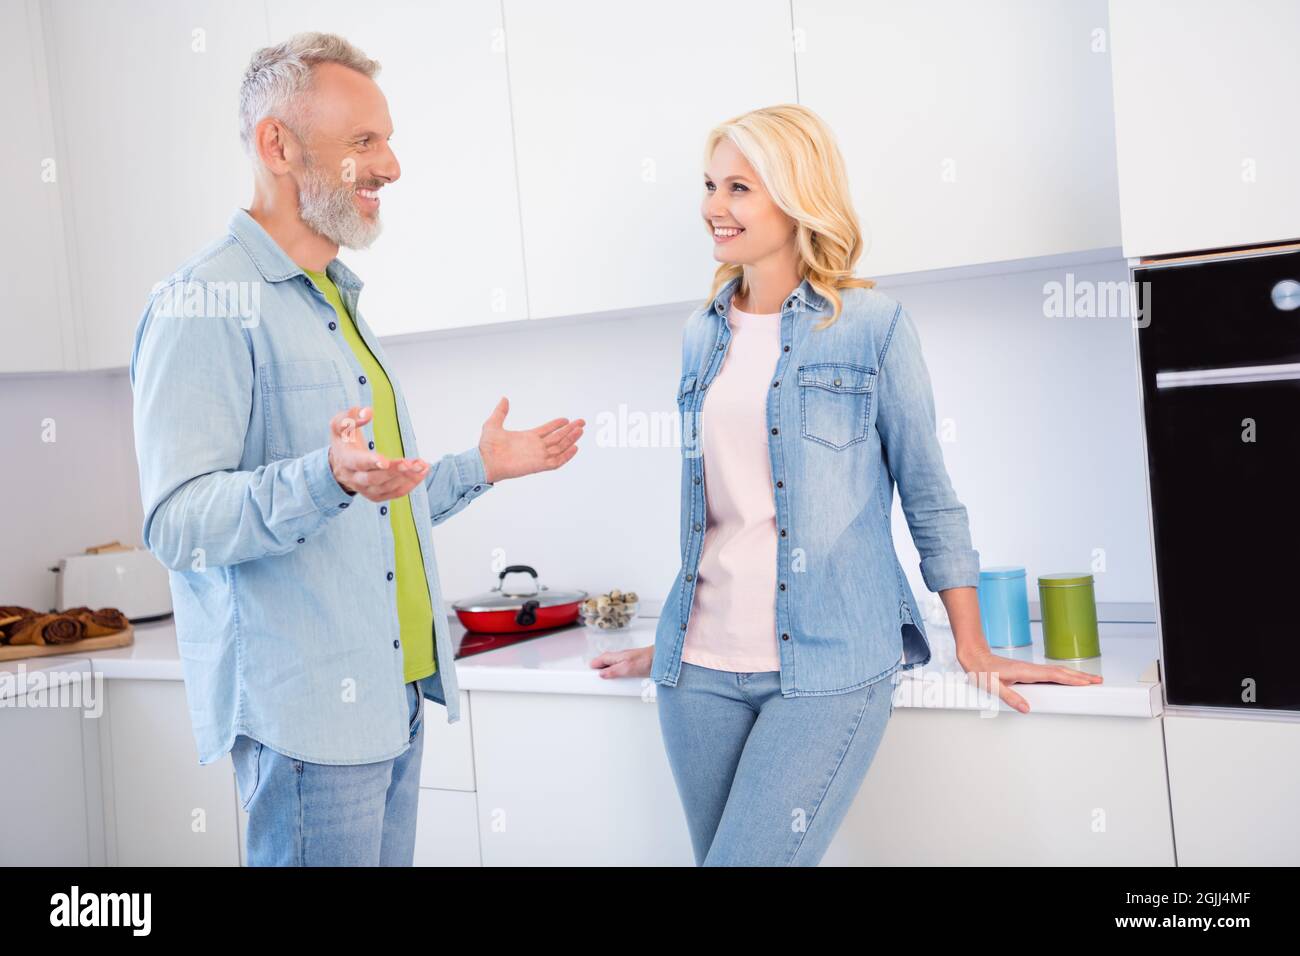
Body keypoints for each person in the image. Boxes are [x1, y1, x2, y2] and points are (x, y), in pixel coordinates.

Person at [590, 104, 1101, 866]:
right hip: (696, 672)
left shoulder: (870, 325)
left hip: (829, 664)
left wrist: (973, 644)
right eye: (709, 185)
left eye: (738, 187)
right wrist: (671, 635)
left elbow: (928, 489)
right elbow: (718, 512)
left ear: (796, 196)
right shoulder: (702, 332)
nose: (711, 207)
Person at [130, 32, 584, 866]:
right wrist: (321, 476)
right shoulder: (202, 302)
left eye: (388, 140)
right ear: (279, 145)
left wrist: (479, 468)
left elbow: (371, 502)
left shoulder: (336, 304)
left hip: (394, 697)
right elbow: (177, 523)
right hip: (308, 721)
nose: (392, 167)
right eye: (363, 143)